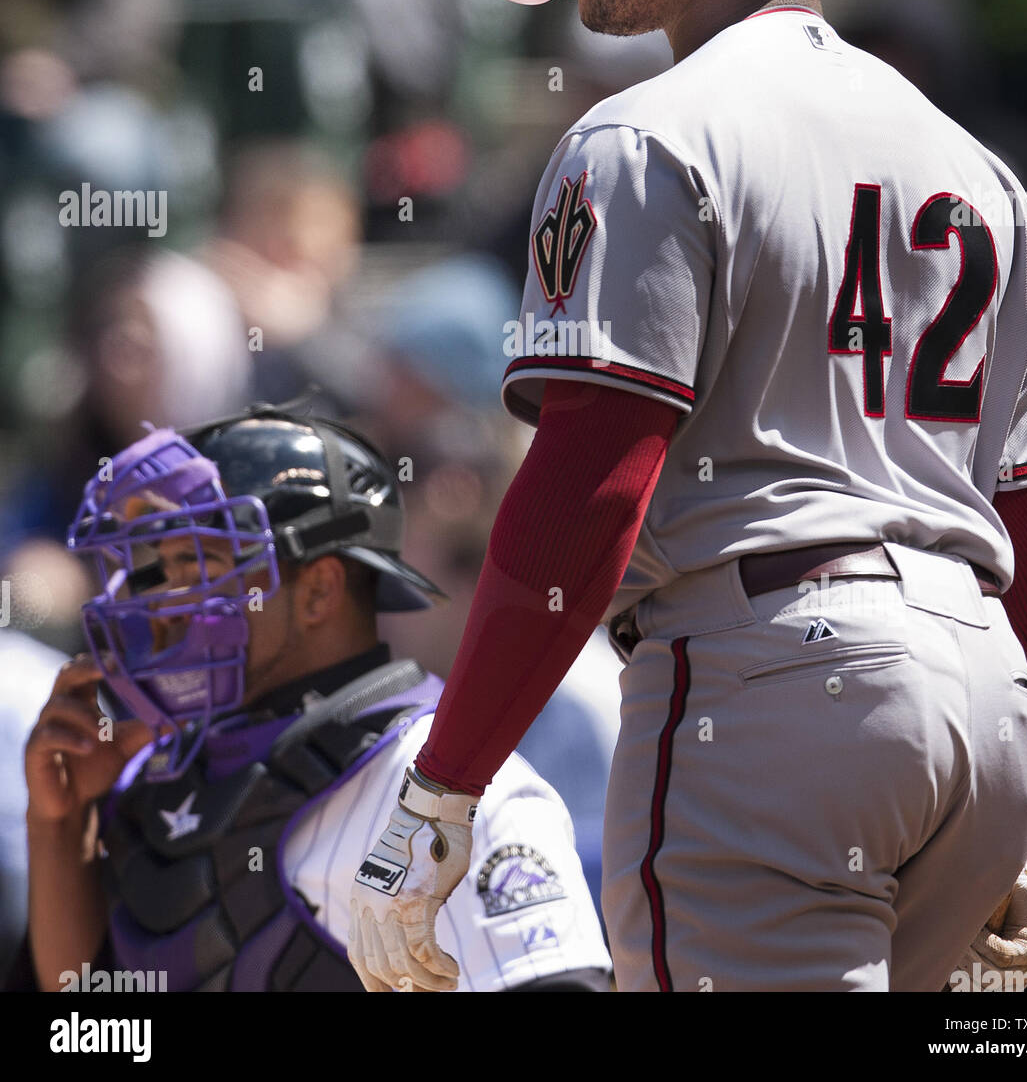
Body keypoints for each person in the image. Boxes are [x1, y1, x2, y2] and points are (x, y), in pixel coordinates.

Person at [348, 0, 1027, 993]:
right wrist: (1017, 805)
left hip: (775, 687)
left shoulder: (643, 133)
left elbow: (591, 481)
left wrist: (447, 780)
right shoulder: (985, 174)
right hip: (986, 698)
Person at [9, 404, 610, 993]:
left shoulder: (450, 786)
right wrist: (60, 826)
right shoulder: (154, 771)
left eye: (201, 564)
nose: (165, 604)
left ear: (319, 590)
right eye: (161, 569)